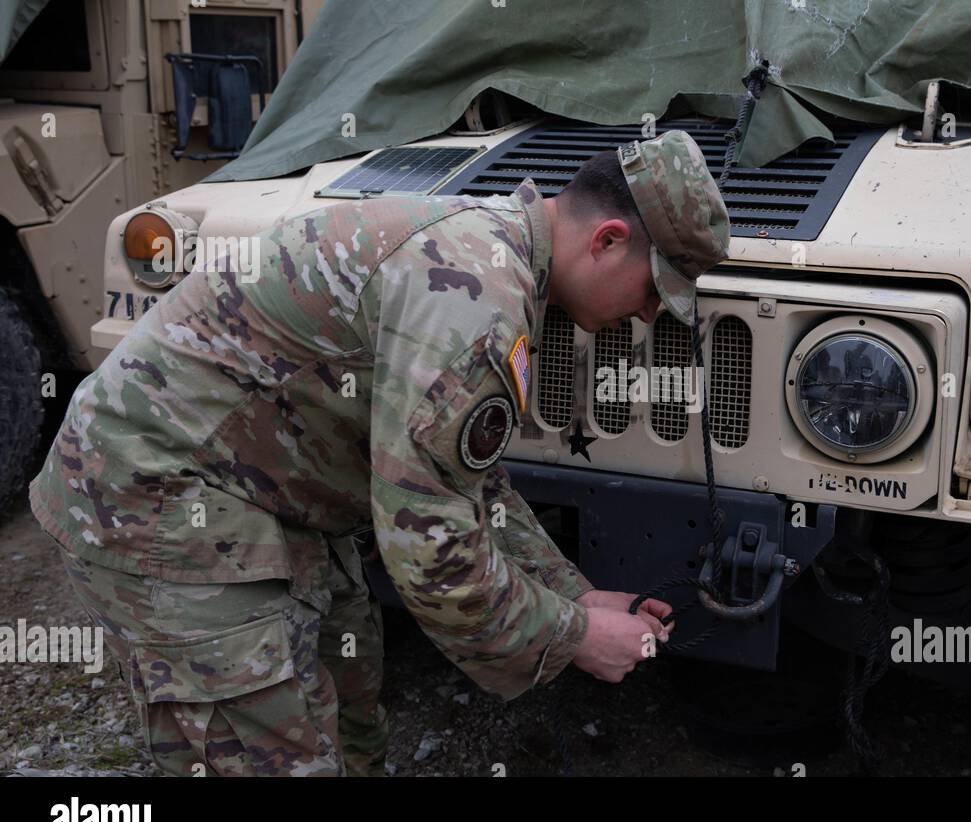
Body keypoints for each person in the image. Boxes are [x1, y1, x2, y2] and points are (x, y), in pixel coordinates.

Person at [28, 129, 731, 776]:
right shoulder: (474, 305)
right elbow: (433, 558)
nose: (645, 315)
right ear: (607, 241)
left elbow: (466, 486)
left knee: (352, 711)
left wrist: (574, 593)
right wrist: (576, 634)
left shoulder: (491, 251)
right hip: (152, 496)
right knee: (273, 754)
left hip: (260, 486)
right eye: (651, 291)